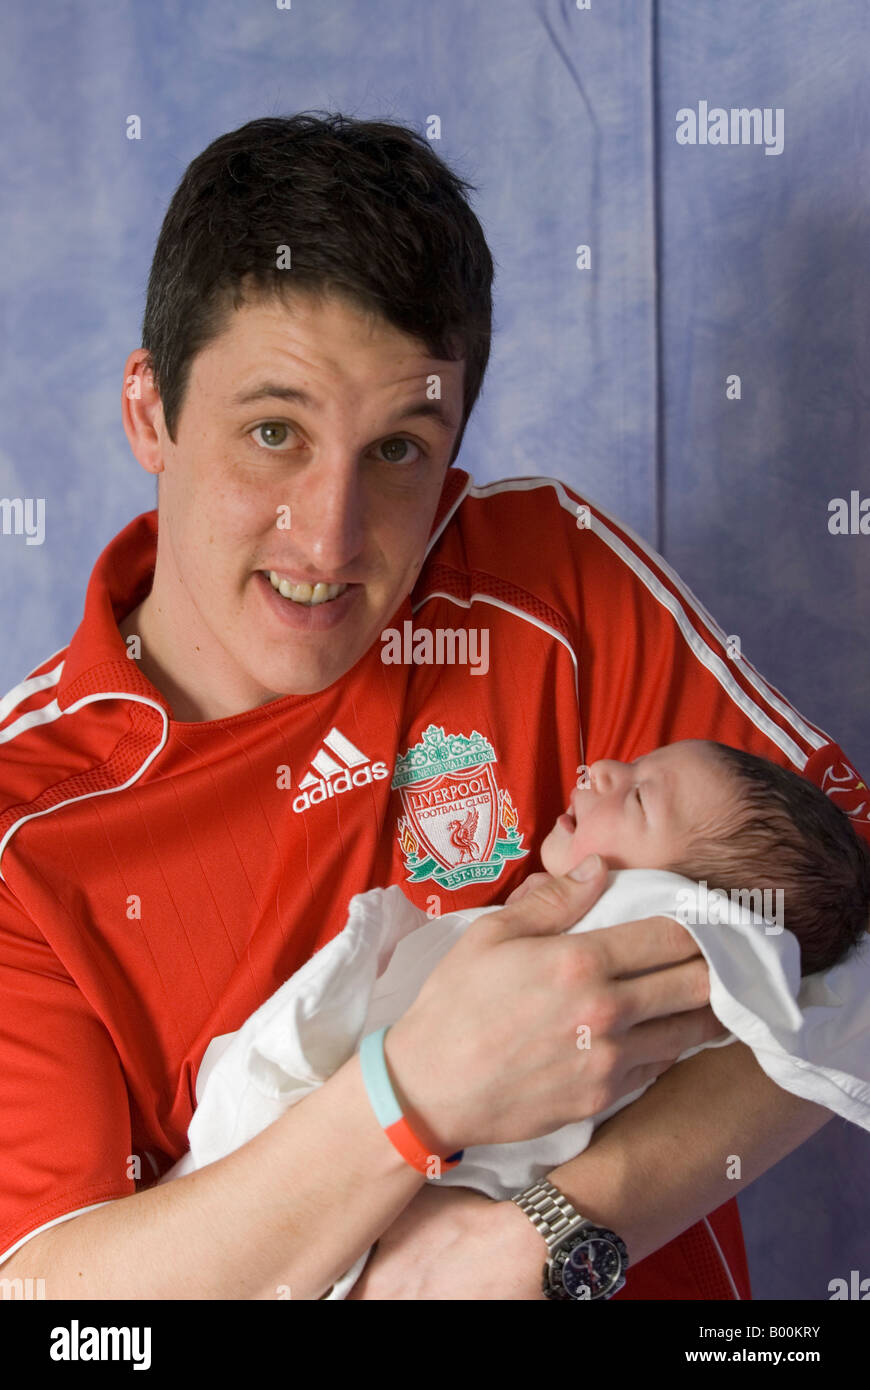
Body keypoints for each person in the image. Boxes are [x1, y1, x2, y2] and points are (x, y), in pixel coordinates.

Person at [1, 112, 869, 1302]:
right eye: (273, 432)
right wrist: (414, 1094)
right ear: (150, 412)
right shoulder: (25, 827)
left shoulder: (550, 586)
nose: (330, 536)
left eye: (398, 450)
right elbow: (55, 1305)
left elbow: (855, 928)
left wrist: (544, 1230)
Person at [158, 738, 870, 1300]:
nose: (600, 770)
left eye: (642, 798)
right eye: (634, 766)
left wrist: (517, 1242)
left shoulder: (637, 954)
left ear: (683, 906)